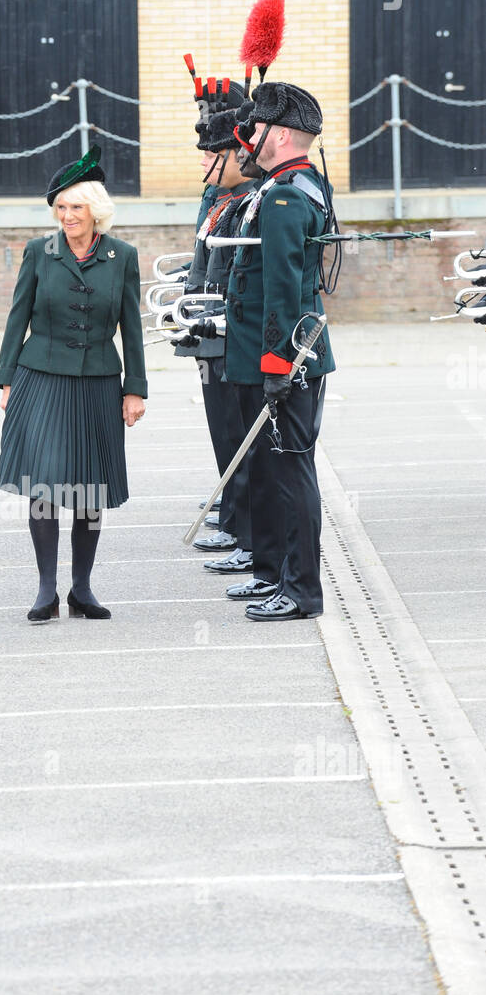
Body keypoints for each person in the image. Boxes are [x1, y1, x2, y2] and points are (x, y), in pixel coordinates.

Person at [0, 145, 146, 622]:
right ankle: (45, 589)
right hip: (40, 379)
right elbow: (18, 316)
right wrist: (6, 379)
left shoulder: (123, 256)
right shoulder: (40, 251)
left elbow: (132, 325)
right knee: (45, 483)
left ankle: (81, 588)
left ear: (95, 210)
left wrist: (135, 388)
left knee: (90, 487)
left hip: (100, 382)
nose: (67, 216)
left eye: (75, 207)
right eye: (60, 208)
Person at [224, 81, 336, 621]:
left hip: (289, 358)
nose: (250, 138)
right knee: (279, 472)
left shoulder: (288, 194)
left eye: (259, 128)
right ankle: (279, 577)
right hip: (286, 355)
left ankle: (302, 591)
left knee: (292, 474)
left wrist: (276, 364)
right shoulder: (286, 186)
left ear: (283, 134)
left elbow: (284, 288)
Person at [176, 101, 256, 574]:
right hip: (209, 336)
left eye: (212, 154)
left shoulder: (247, 201)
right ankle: (235, 517)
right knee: (224, 435)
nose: (204, 163)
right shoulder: (221, 200)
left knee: (240, 436)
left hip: (232, 338)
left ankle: (245, 529)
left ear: (235, 154)